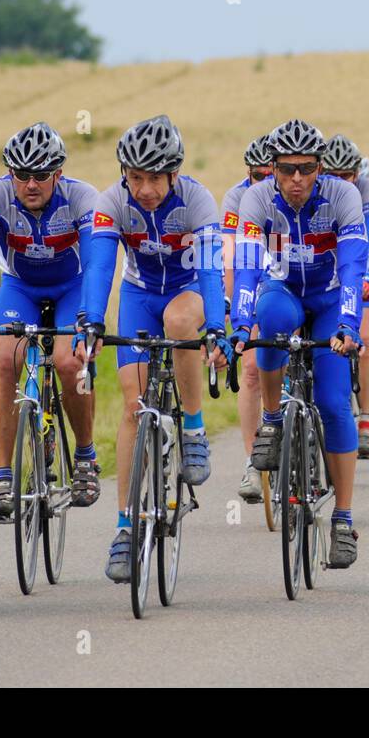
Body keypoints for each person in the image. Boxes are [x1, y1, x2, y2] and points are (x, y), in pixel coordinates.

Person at [76, 115, 231, 583]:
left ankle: (195, 429)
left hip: (188, 292)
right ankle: (125, 527)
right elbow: (101, 268)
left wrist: (218, 329)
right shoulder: (111, 201)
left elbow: (208, 270)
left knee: (180, 320)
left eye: (154, 179)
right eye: (135, 177)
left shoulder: (198, 201)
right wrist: (91, 322)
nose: (143, 189)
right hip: (139, 296)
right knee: (132, 408)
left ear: (174, 174)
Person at [231, 119, 365, 567]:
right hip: (282, 292)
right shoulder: (257, 199)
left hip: (328, 299)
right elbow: (247, 267)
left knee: (332, 402)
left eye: (306, 169)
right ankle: (271, 420)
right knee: (269, 319)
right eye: (287, 169)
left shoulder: (343, 196)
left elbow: (352, 266)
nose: (296, 179)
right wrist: (238, 323)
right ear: (272, 168)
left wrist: (348, 322)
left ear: (320, 167)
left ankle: (343, 520)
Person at [0, 123, 102, 519]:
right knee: (5, 361)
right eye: (21, 175)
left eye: (41, 175)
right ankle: (3, 476)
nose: (31, 184)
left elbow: (93, 264)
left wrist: (90, 317)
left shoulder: (82, 197)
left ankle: (85, 455)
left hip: (71, 287)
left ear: (58, 173)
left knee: (70, 360)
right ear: (10, 175)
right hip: (19, 287)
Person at [320, 133, 369, 459]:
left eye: (346, 175)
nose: (340, 181)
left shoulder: (368, 191)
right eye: (332, 175)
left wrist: (368, 279)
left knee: (366, 337)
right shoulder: (314, 192)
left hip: (359, 270)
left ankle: (366, 421)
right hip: (323, 273)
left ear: (356, 175)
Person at [222, 134, 274, 503]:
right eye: (257, 176)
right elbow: (229, 256)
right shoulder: (236, 199)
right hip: (251, 277)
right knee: (252, 367)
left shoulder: (293, 192)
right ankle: (253, 463)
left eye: (271, 174)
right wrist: (229, 302)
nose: (264, 182)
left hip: (290, 276)